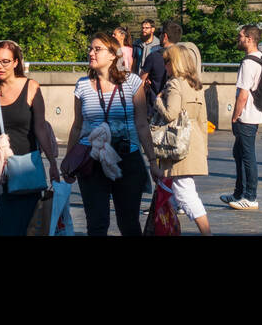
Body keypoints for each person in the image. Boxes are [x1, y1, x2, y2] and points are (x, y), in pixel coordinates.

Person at [64, 32, 161, 235]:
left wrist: (152, 161)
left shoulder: (132, 82)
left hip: (126, 159)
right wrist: (67, 161)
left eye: (97, 49)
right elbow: (77, 126)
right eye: (90, 49)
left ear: (112, 55)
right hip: (92, 161)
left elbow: (142, 124)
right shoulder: (82, 85)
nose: (91, 53)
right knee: (97, 224)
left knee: (129, 224)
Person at [0, 40, 60, 235]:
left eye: (5, 61)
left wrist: (52, 163)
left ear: (16, 62)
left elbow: (40, 127)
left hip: (25, 169)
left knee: (19, 227)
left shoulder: (31, 87)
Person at [153, 43, 211, 234]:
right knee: (176, 190)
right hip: (193, 142)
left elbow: (171, 114)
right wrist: (204, 149)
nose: (165, 66)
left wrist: (158, 101)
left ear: (175, 63)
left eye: (167, 62)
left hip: (177, 143)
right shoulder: (197, 85)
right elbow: (203, 120)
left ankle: (206, 232)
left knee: (184, 192)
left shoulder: (175, 84)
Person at [223, 24, 262, 211]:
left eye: (240, 36)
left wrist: (234, 116)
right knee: (239, 153)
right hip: (255, 113)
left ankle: (250, 197)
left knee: (248, 157)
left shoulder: (248, 63)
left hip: (246, 116)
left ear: (249, 38)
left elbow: (243, 94)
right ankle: (239, 193)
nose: (238, 39)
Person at [140, 20, 181, 107]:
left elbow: (141, 82)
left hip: (156, 106)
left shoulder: (153, 57)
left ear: (165, 36)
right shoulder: (184, 56)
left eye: (160, 34)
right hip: (178, 104)